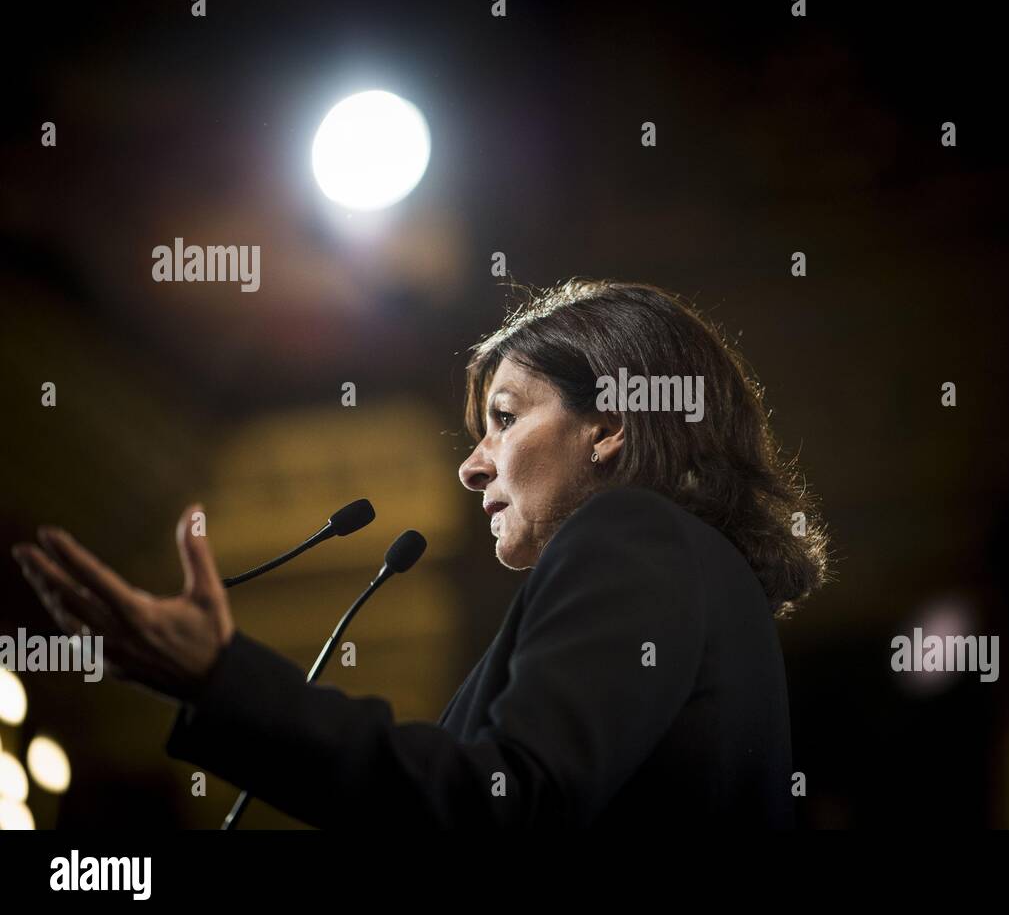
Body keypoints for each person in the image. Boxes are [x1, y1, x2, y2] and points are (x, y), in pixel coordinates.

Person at [10, 277, 829, 828]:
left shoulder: (632, 535)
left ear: (610, 425)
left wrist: (220, 677)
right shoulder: (705, 576)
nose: (473, 464)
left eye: (505, 418)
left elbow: (498, 803)